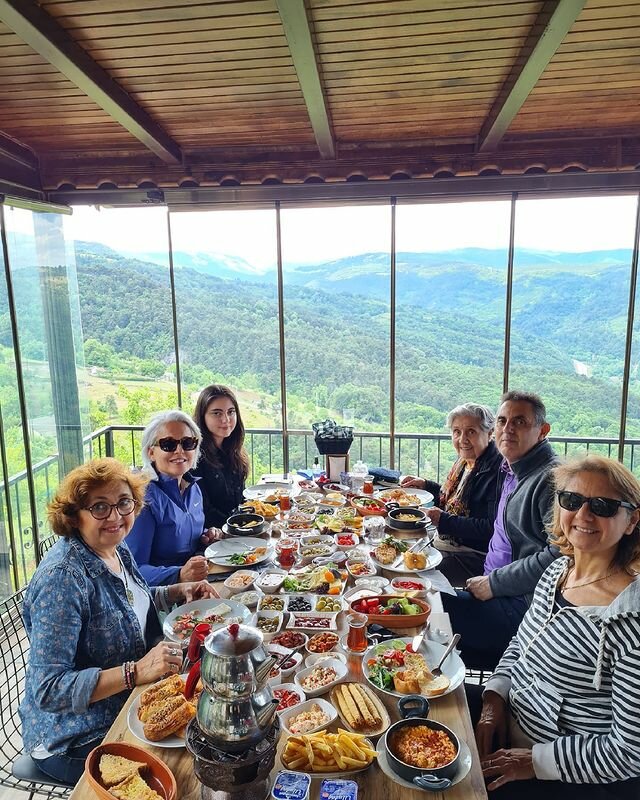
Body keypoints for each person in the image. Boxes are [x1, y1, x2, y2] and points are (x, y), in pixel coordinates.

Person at [19, 458, 216, 784]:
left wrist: (175, 591)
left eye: (124, 503)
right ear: (74, 517)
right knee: (188, 771)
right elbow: (48, 690)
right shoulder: (63, 579)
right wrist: (135, 671)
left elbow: (126, 603)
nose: (115, 516)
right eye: (99, 507)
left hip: (127, 701)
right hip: (74, 736)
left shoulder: (114, 547)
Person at [472, 455, 640, 800]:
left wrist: (532, 762)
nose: (583, 514)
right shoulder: (557, 572)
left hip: (566, 772)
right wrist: (495, 698)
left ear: (631, 521)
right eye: (572, 500)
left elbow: (629, 751)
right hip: (515, 719)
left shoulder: (630, 619)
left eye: (603, 506)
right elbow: (522, 643)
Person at [442, 391, 559, 669]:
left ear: (542, 431)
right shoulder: (512, 471)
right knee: (421, 607)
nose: (507, 429)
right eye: (503, 421)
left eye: (519, 422)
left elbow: (559, 555)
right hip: (492, 584)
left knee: (427, 609)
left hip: (521, 608)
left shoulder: (550, 480)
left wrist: (495, 584)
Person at [401, 402, 502, 584]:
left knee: (410, 573)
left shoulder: (496, 471)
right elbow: (454, 499)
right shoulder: (465, 462)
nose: (462, 439)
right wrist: (426, 485)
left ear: (489, 432)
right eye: (457, 431)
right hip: (445, 541)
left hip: (472, 555)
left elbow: (490, 528)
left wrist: (444, 520)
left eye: (471, 431)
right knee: (399, 545)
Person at [126, 409, 219, 586]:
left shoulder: (193, 488)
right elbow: (133, 570)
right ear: (151, 452)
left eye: (187, 443)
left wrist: (207, 536)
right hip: (164, 596)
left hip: (200, 581)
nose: (179, 451)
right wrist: (180, 574)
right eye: (168, 444)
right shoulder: (143, 498)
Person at [192, 385, 250, 529]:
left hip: (238, 529)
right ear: (202, 416)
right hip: (214, 538)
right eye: (217, 413)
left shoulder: (233, 451)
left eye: (231, 412)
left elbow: (240, 499)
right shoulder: (194, 457)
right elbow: (204, 510)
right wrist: (241, 525)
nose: (226, 419)